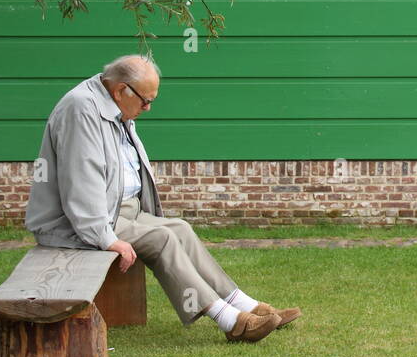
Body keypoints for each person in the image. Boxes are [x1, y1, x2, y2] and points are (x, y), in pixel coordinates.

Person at [24, 55, 299, 342]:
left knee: (179, 228)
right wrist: (106, 239)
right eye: (145, 100)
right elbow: (80, 184)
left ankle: (246, 304)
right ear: (120, 90)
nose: (148, 107)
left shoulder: (112, 105)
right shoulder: (81, 111)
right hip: (77, 223)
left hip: (119, 211)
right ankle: (231, 322)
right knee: (162, 239)